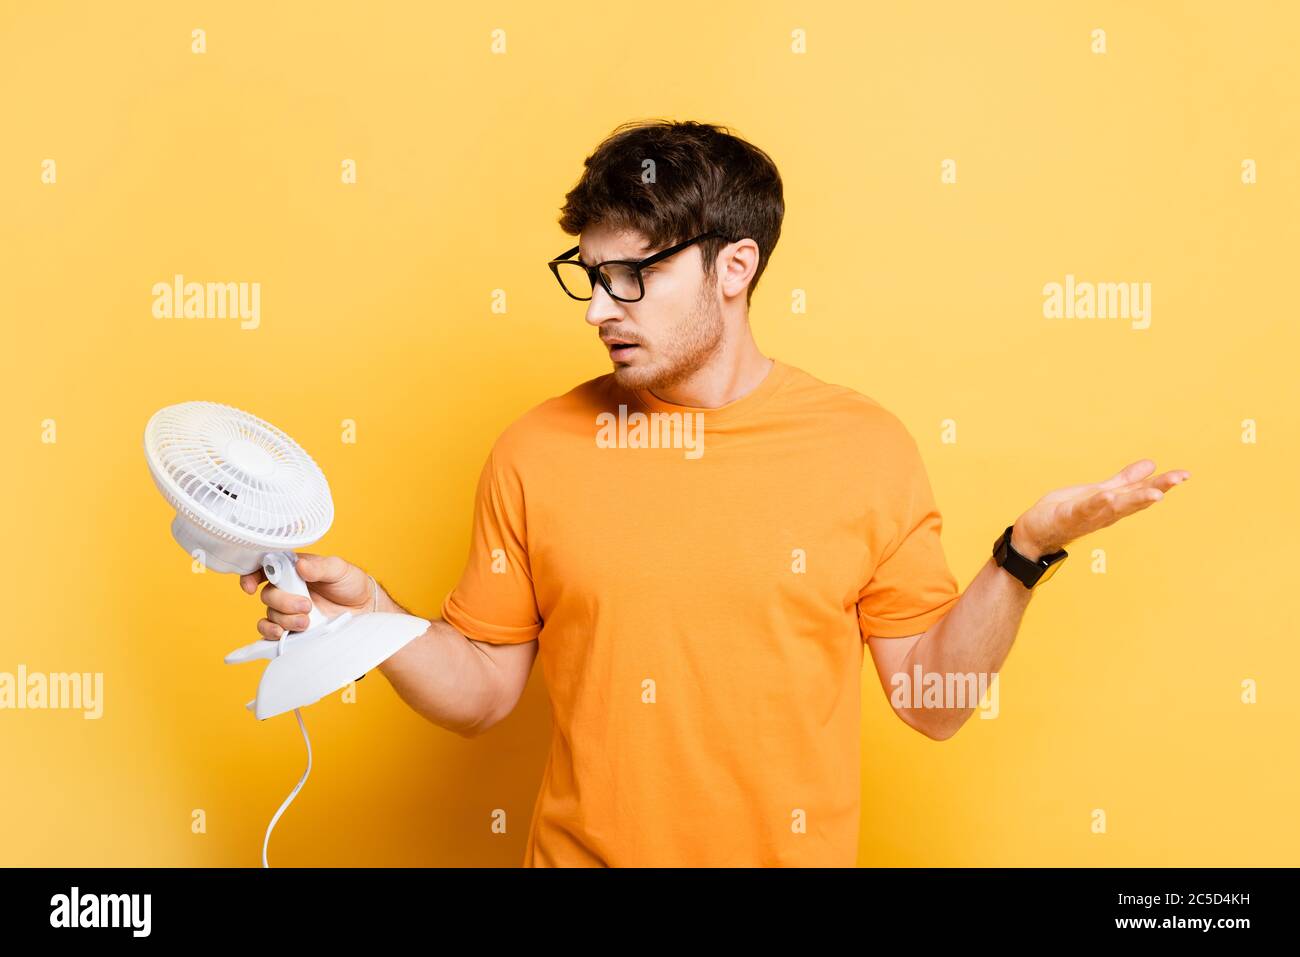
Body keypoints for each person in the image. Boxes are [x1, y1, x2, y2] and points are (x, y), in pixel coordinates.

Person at [239, 119, 1190, 867]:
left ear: (734, 267)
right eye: (588, 273)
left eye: (630, 276)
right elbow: (484, 691)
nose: (598, 306)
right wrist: (372, 622)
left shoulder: (863, 447)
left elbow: (932, 702)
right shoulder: (536, 448)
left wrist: (1023, 549)